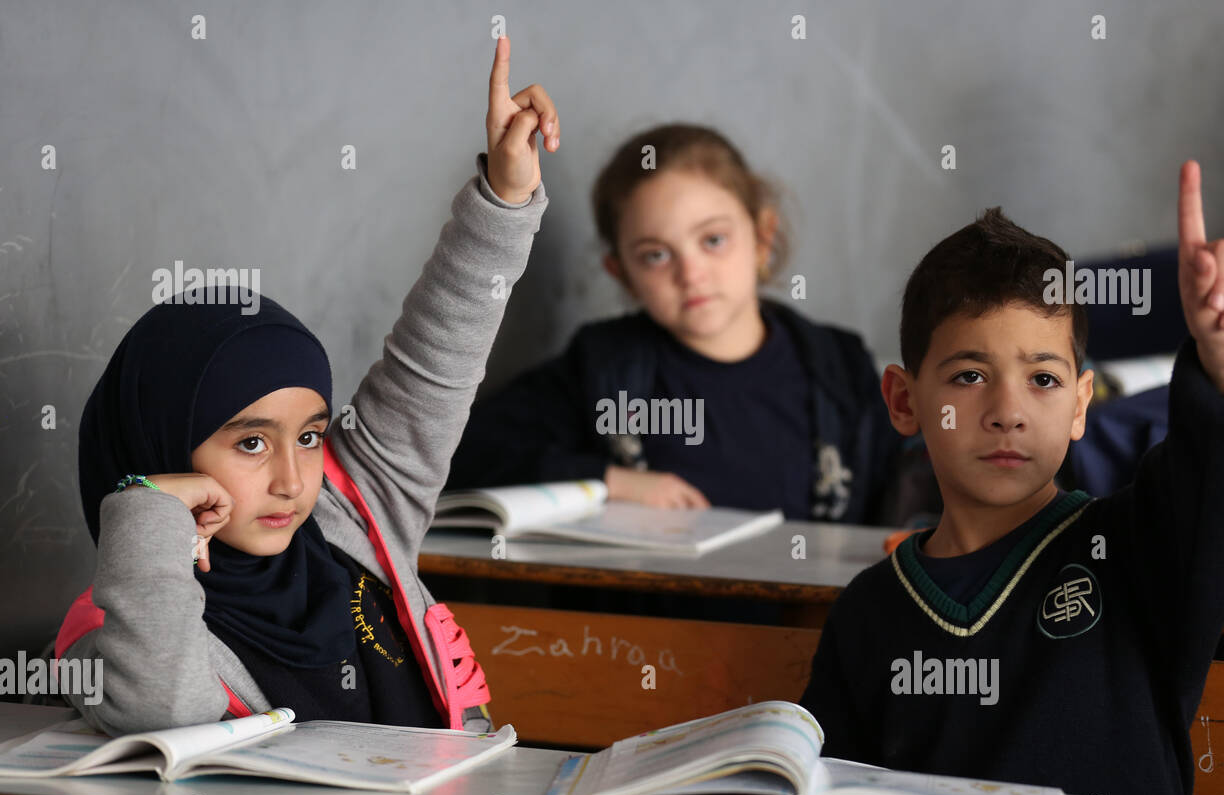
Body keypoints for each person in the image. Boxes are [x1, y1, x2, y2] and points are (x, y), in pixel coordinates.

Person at [55, 36, 557, 736]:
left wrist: (504, 200)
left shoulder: (354, 514)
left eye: (311, 436)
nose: (294, 479)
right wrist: (147, 508)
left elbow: (437, 363)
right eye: (252, 441)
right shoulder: (112, 629)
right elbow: (160, 712)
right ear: (160, 445)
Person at [799, 162, 1224, 795]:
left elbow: (1214, 474)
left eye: (1044, 379)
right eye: (969, 375)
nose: (1007, 411)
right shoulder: (869, 613)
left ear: (1082, 406)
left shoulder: (1137, 549)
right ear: (905, 402)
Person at [446, 123, 901, 525]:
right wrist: (609, 481)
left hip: (812, 618)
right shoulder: (604, 366)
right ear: (622, 273)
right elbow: (466, 450)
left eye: (713, 240)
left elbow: (908, 494)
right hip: (656, 617)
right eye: (655, 255)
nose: (691, 273)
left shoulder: (838, 366)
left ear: (762, 239)